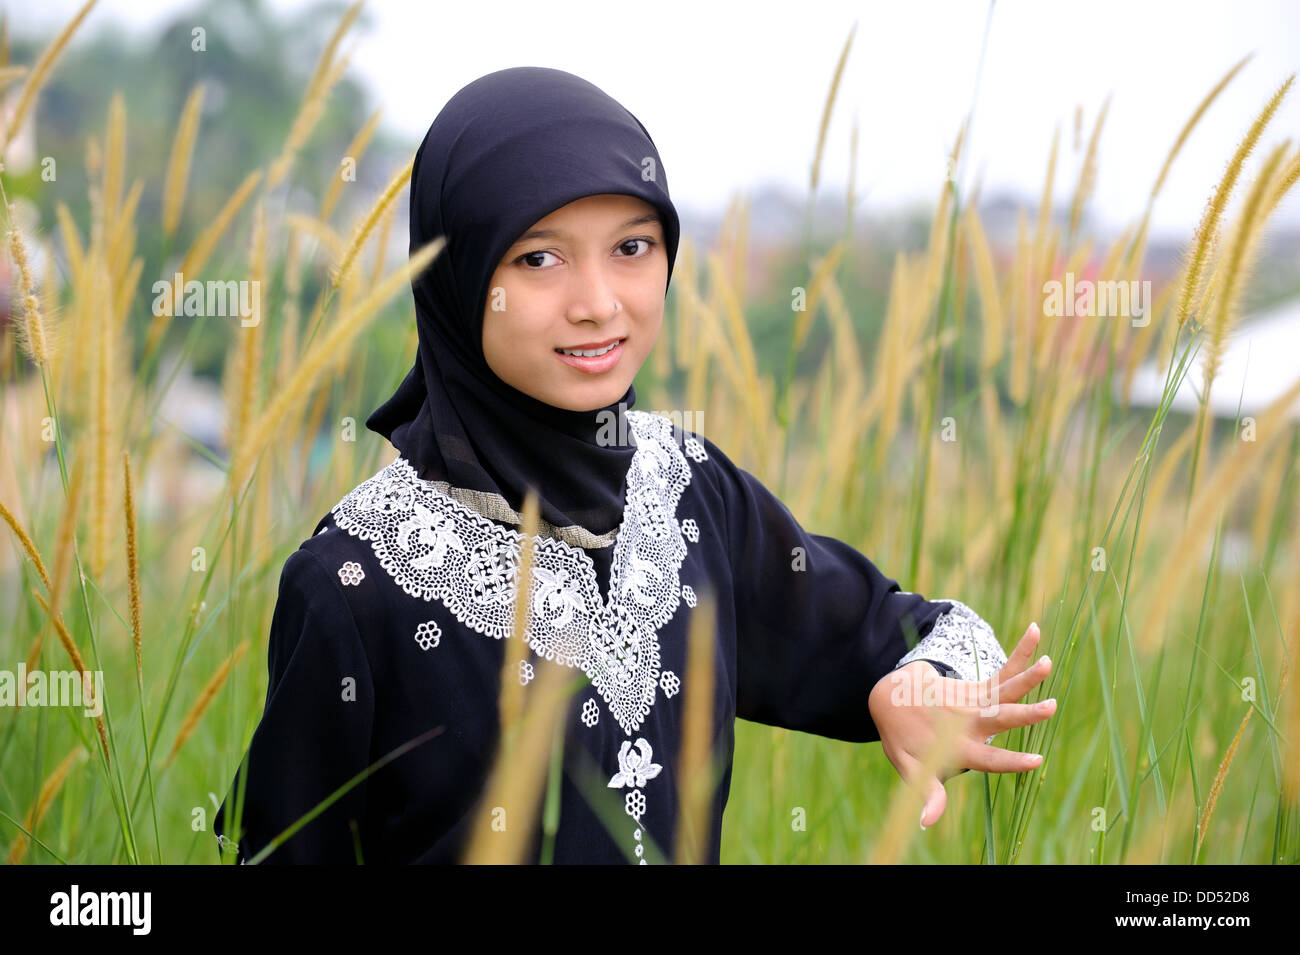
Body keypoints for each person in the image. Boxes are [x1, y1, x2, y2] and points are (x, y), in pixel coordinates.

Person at [213, 66, 1055, 865]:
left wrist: (918, 689)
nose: (599, 302)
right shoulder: (356, 580)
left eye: (632, 247)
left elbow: (921, 632)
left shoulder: (689, 494)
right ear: (459, 273)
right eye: (538, 257)